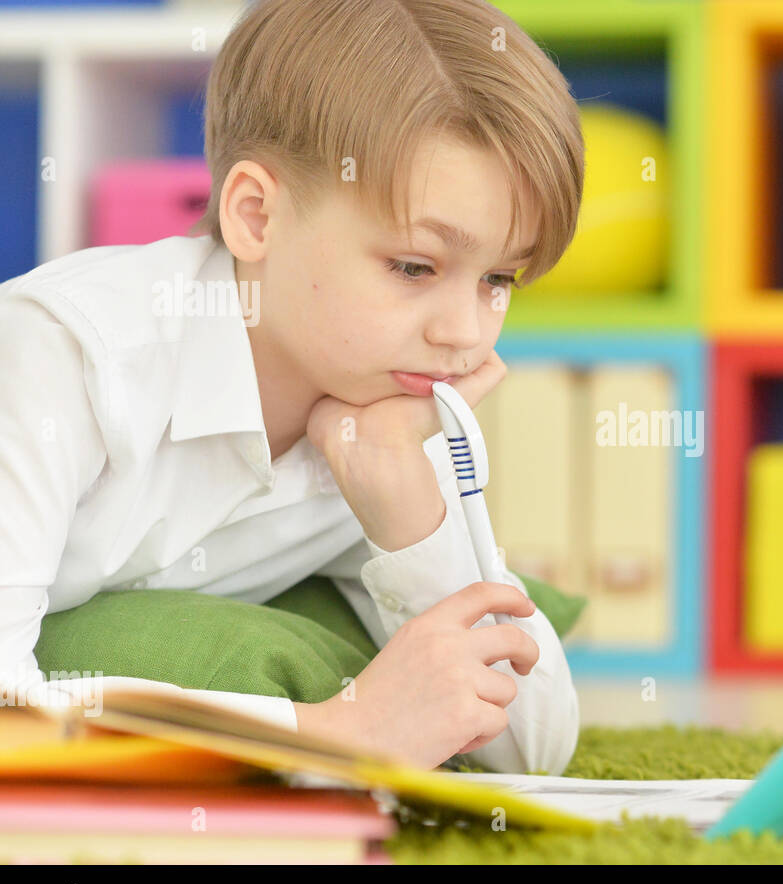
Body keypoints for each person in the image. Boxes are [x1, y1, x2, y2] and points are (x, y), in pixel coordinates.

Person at [0, 0, 585, 775]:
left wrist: (405, 502)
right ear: (256, 216)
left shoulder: (386, 404)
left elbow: (532, 748)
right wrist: (334, 730)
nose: (467, 333)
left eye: (499, 278)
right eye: (414, 266)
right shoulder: (65, 356)